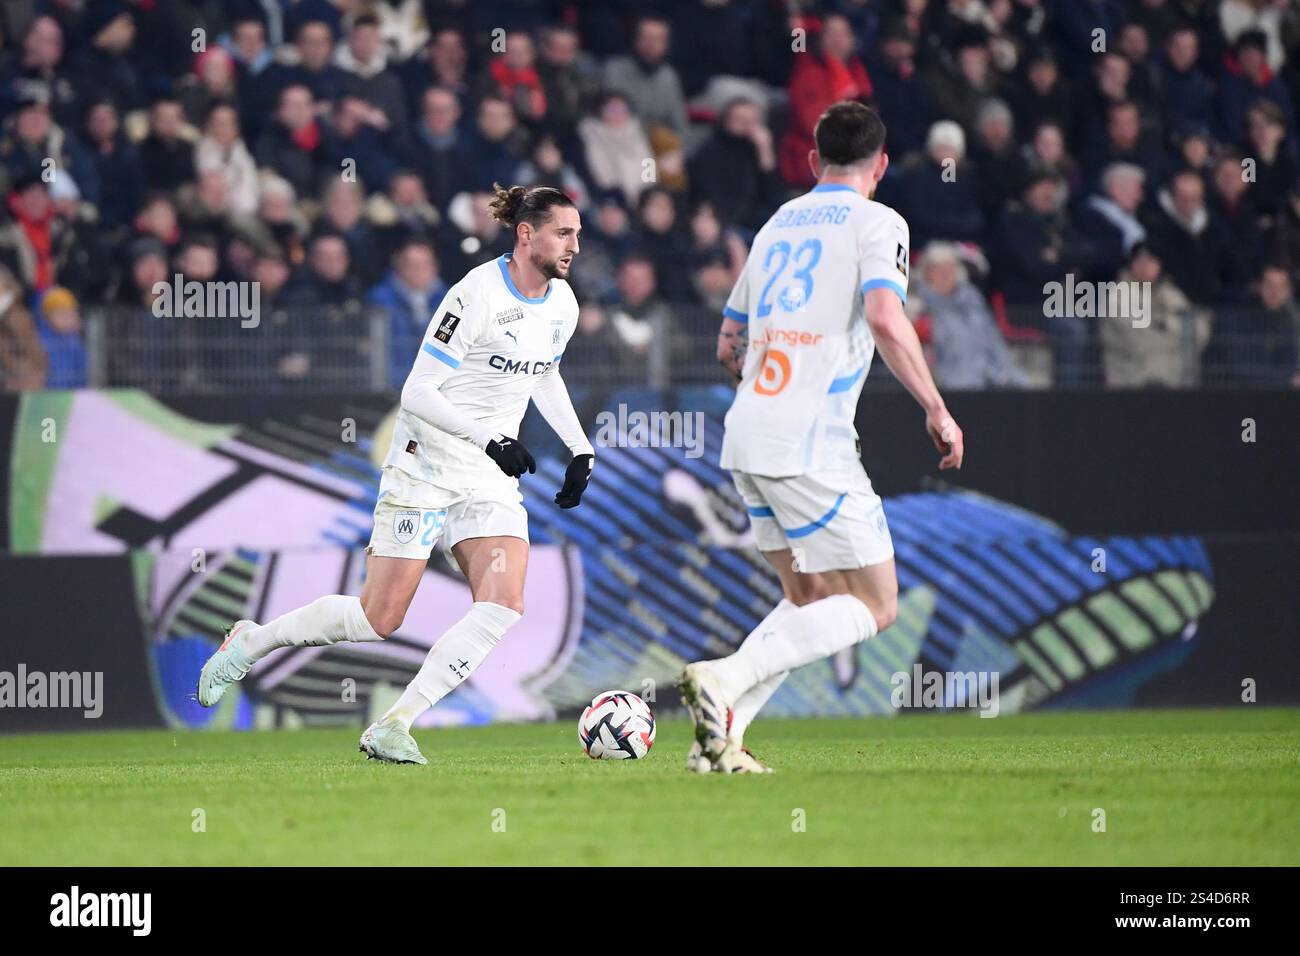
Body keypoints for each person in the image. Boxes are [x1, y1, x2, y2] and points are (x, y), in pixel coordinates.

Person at [197, 184, 595, 764]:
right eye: (565, 232)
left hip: (487, 476)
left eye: (579, 233)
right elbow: (418, 390)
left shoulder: (563, 304)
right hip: (427, 462)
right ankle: (251, 641)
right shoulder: (475, 295)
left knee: (504, 602)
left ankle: (395, 723)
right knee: (377, 618)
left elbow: (542, 374)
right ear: (526, 233)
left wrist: (579, 448)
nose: (575, 246)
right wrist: (491, 438)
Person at [680, 102, 964, 773]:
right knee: (876, 604)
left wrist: (767, 381)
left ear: (814, 162)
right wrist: (936, 407)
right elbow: (886, 318)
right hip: (812, 441)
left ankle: (721, 743)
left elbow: (728, 342)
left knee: (807, 599)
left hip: (748, 430)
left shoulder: (777, 223)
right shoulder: (879, 221)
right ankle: (723, 678)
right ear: (883, 165)